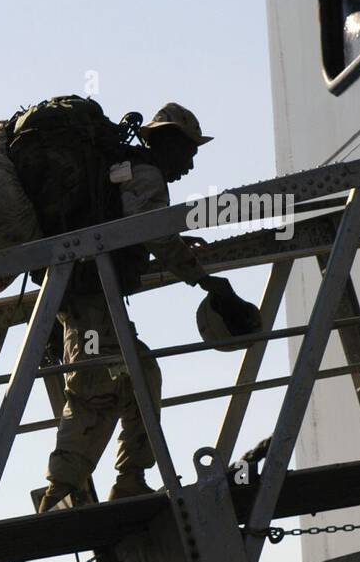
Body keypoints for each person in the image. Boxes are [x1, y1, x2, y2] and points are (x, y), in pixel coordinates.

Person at [39, 103, 233, 512]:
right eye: (190, 152)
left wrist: (176, 241)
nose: (191, 165)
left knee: (141, 374)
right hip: (88, 303)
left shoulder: (128, 170)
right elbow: (154, 236)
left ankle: (131, 479)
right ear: (169, 143)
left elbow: (142, 229)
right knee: (93, 389)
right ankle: (60, 494)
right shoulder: (145, 174)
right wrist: (204, 279)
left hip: (93, 301)